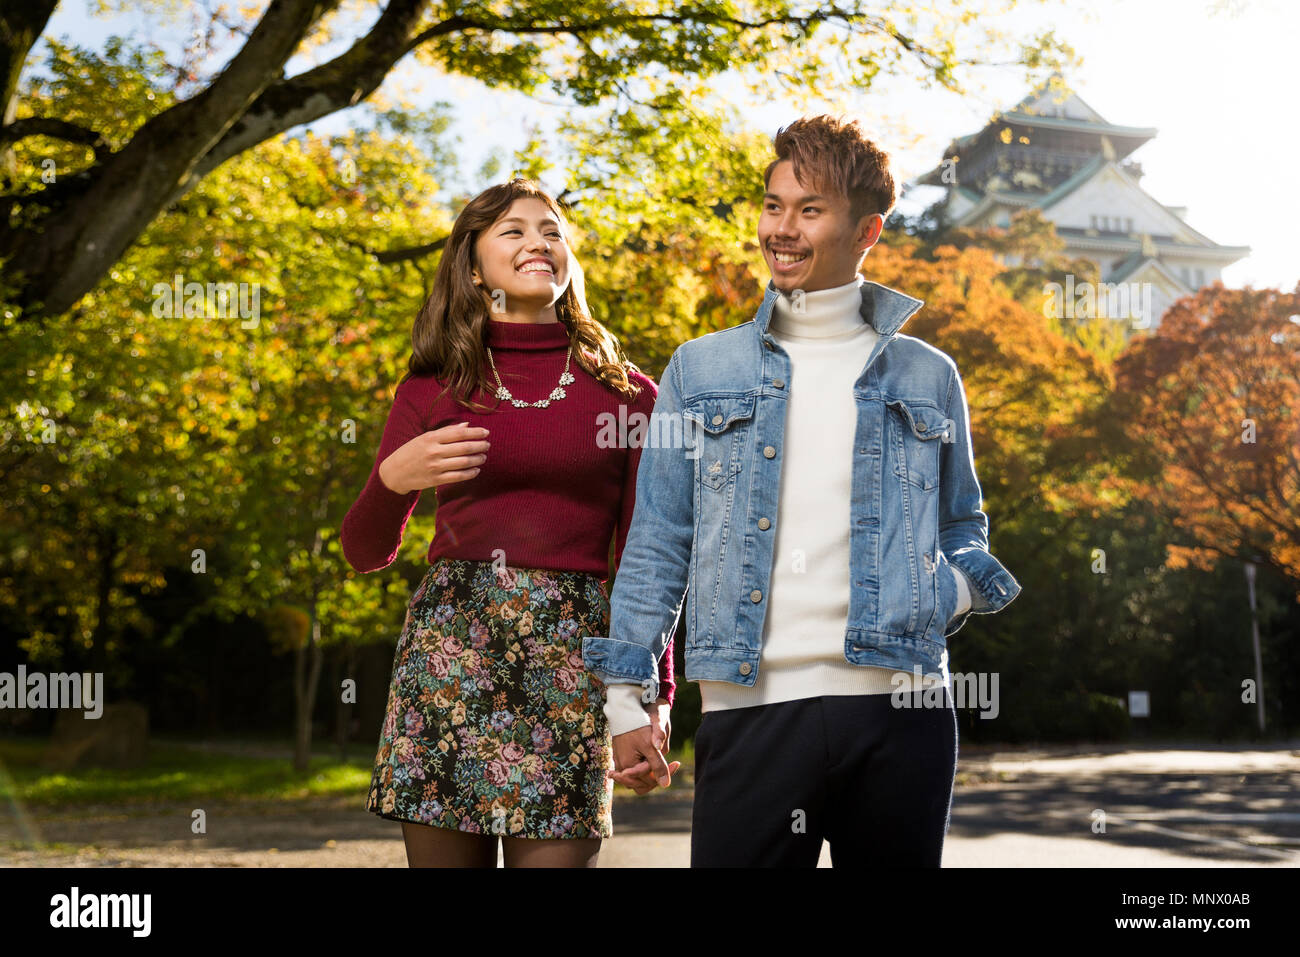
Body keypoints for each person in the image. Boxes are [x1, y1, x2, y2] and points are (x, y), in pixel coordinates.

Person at [582, 115, 1022, 867]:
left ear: (866, 230)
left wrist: (944, 592)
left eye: (809, 210)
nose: (780, 229)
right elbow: (658, 540)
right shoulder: (699, 369)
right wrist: (628, 700)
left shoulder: (928, 375)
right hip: (751, 711)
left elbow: (962, 525)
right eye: (772, 204)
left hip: (903, 710)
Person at [341, 178, 678, 868]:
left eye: (551, 230)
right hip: (449, 657)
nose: (539, 243)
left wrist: (650, 699)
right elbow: (364, 550)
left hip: (572, 658)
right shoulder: (430, 387)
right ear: (472, 265)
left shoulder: (629, 394)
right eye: (514, 230)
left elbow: (652, 558)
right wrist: (392, 480)